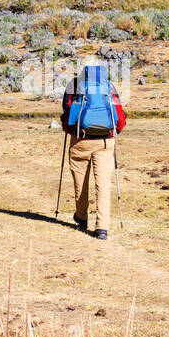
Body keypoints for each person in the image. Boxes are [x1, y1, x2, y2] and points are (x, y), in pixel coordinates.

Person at [61, 63, 126, 240]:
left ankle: (81, 217)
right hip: (105, 141)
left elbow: (67, 114)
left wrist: (68, 130)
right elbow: (119, 116)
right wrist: (115, 132)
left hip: (80, 141)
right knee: (103, 184)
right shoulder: (109, 86)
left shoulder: (73, 85)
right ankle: (102, 228)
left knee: (80, 181)